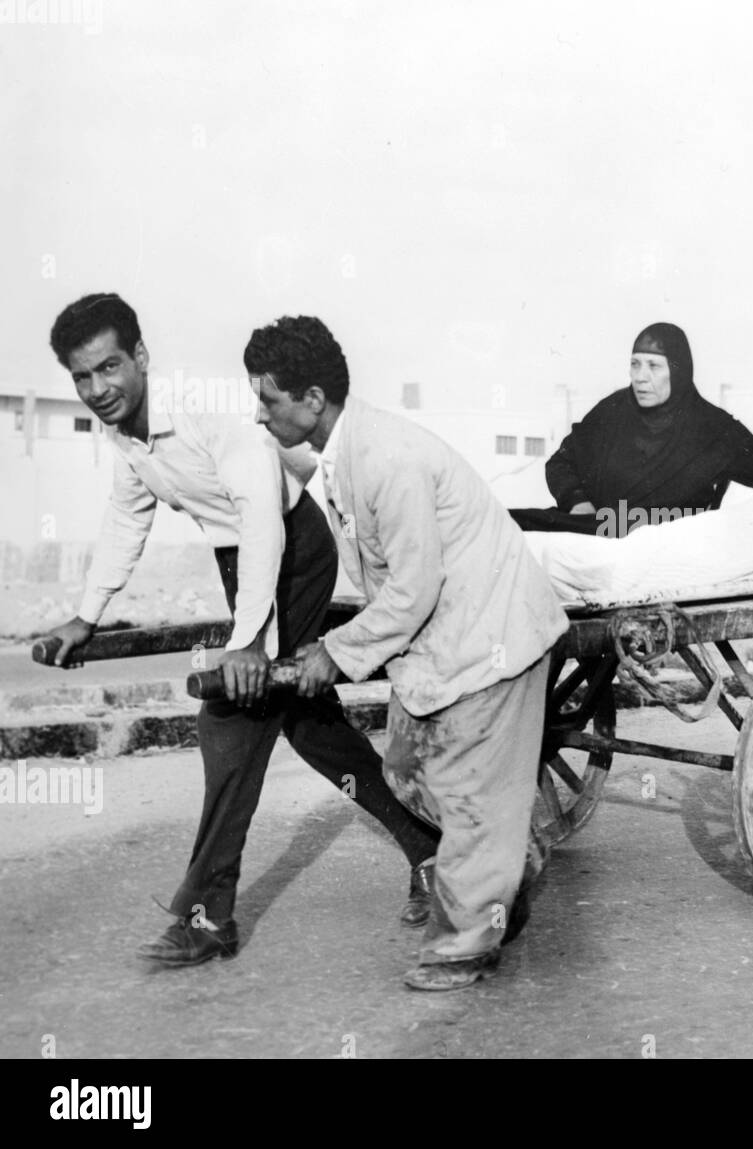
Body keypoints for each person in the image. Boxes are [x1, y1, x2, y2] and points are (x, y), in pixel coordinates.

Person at [42, 294, 444, 967]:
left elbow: (263, 515)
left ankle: (207, 913)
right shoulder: (128, 441)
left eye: (109, 367)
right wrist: (86, 618)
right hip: (245, 562)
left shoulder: (203, 416)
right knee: (309, 723)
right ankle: (428, 845)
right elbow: (125, 521)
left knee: (230, 715)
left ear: (140, 357)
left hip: (291, 547)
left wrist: (252, 640)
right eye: (82, 378)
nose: (98, 389)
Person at [247, 315, 569, 992]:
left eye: (268, 399)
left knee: (470, 797)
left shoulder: (385, 457)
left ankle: (464, 945)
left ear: (311, 399)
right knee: (405, 771)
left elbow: (412, 589)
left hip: (492, 636)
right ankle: (512, 864)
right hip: (446, 636)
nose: (259, 412)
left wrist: (331, 655)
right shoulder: (345, 449)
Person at [542, 322, 753, 545]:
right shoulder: (613, 411)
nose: (640, 377)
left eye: (653, 366)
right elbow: (562, 461)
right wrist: (577, 501)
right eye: (635, 365)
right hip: (592, 527)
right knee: (509, 527)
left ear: (677, 370)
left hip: (664, 539)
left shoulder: (713, 430)